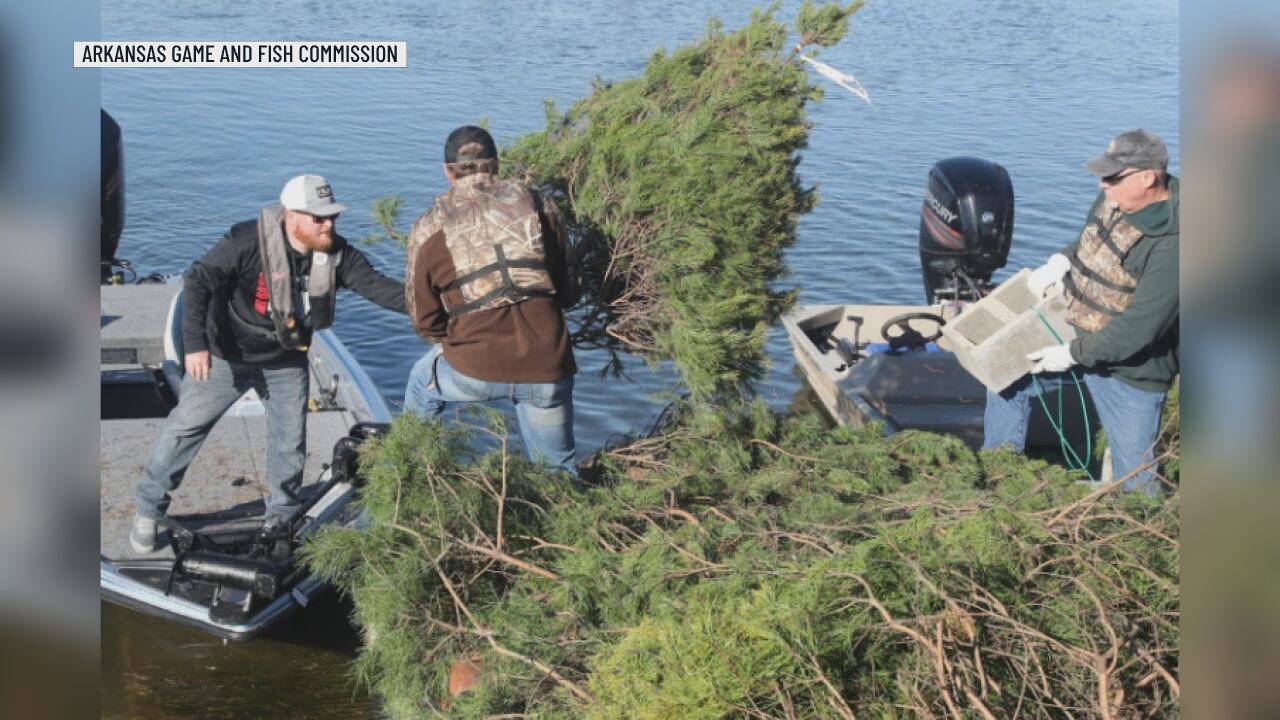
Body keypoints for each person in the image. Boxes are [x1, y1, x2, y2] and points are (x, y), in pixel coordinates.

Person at [130, 174, 407, 552]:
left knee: (289, 443)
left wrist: (437, 305)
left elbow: (379, 287)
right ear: (291, 216)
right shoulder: (245, 242)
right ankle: (148, 510)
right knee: (185, 429)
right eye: (319, 218)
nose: (329, 225)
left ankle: (281, 518)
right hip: (226, 356)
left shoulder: (337, 254)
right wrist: (195, 345)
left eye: (333, 217)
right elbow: (198, 280)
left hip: (285, 360)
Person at [983, 129, 1179, 496]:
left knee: (1137, 483)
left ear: (1147, 178)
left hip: (1131, 370)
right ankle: (1001, 483)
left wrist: (1070, 355)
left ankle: (1144, 525)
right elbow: (1089, 240)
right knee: (1002, 373)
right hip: (1075, 328)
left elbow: (1140, 330)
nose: (1102, 184)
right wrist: (1060, 261)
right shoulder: (1117, 198)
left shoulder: (1175, 245)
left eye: (1112, 177)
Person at [402, 125, 578, 478]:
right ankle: (565, 501)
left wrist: (458, 336)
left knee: (423, 379)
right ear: (496, 164)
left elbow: (426, 322)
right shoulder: (541, 205)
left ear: (447, 171)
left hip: (474, 368)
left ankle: (413, 477)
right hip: (548, 364)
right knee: (558, 471)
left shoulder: (428, 227)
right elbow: (569, 292)